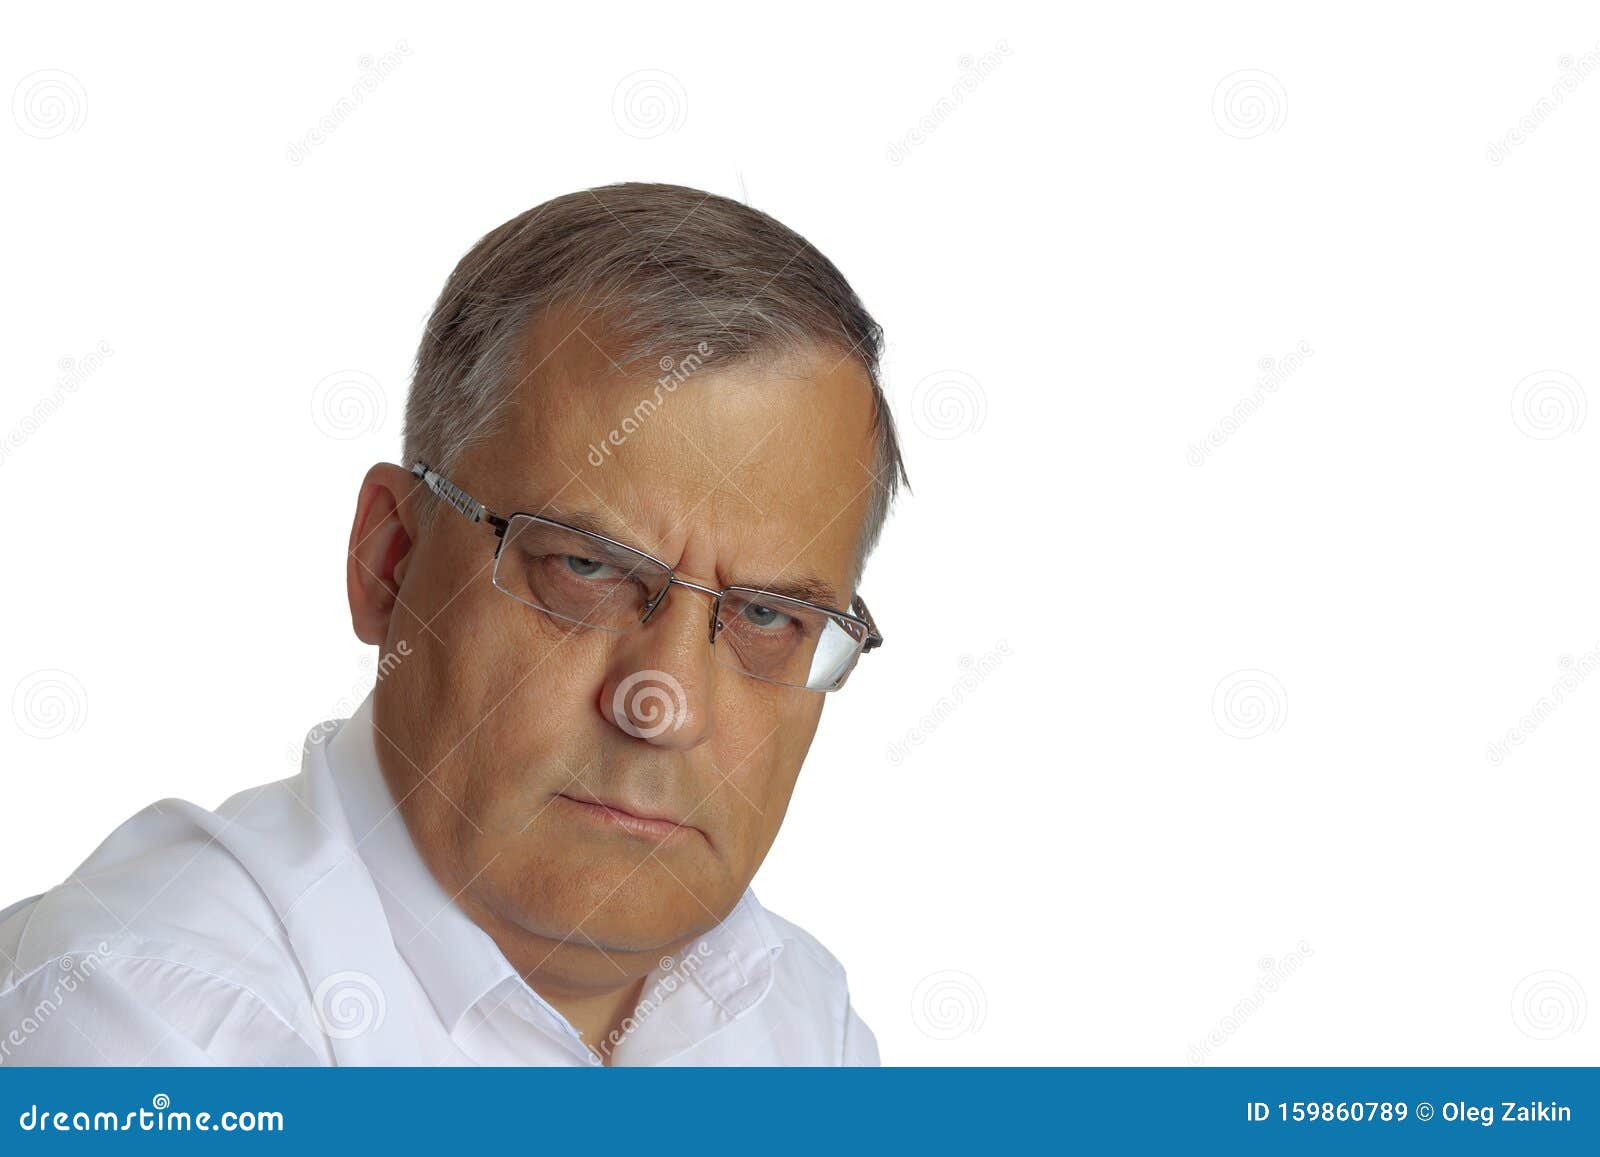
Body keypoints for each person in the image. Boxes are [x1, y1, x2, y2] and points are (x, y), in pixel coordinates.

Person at [0, 183, 907, 1065]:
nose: (663, 706)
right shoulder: (151, 1025)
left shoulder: (804, 1020)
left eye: (766, 614)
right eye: (585, 568)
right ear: (388, 562)